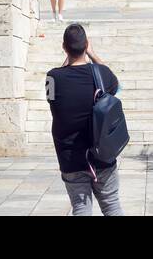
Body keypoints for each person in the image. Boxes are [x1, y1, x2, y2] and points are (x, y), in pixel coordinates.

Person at [45, 23, 124, 216]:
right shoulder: (102, 74)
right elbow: (117, 87)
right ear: (86, 45)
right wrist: (93, 55)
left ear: (64, 47)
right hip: (102, 153)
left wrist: (70, 57)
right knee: (112, 205)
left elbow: (52, 101)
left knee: (81, 209)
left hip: (70, 156)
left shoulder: (52, 77)